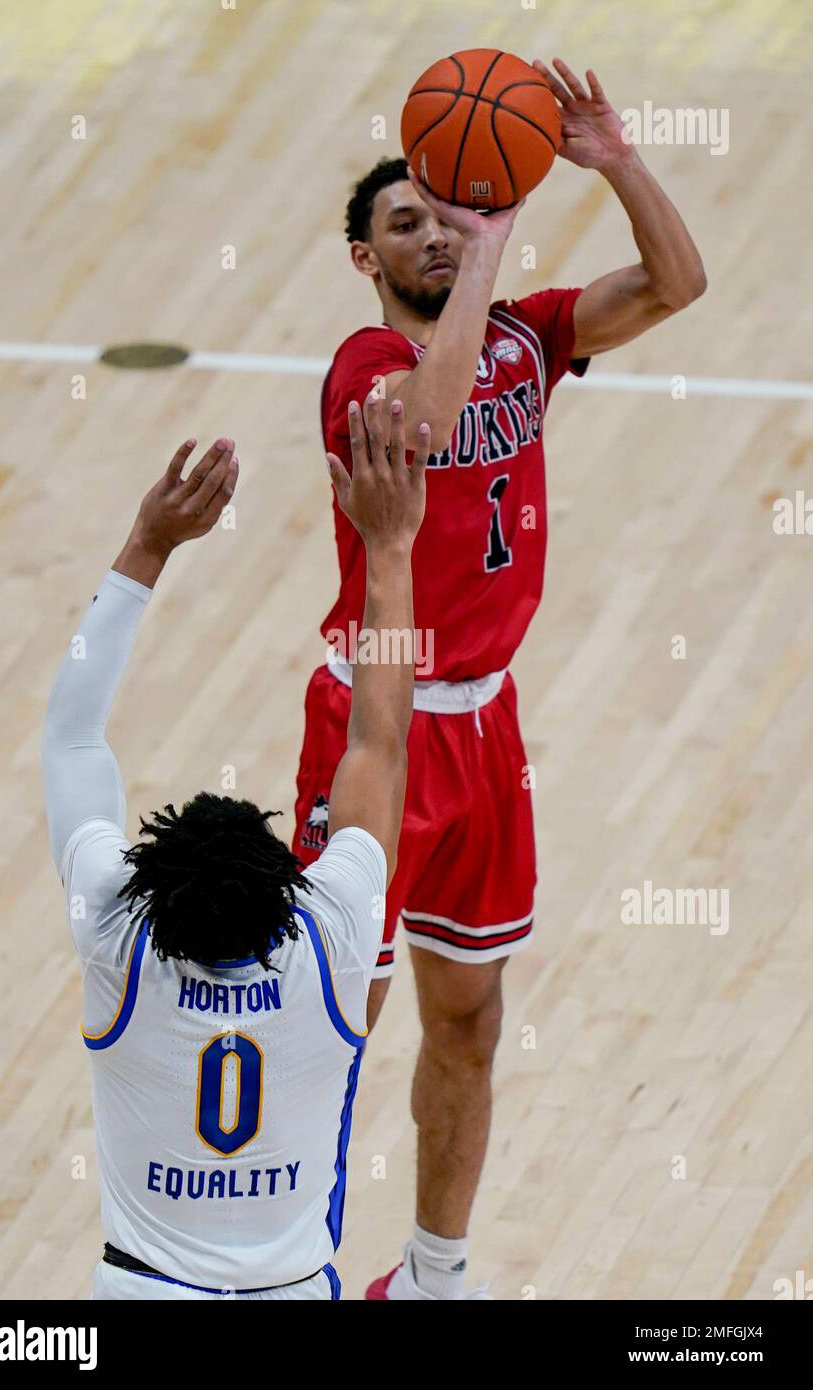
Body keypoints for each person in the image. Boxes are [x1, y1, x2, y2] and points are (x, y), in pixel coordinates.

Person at [292, 59, 707, 1300]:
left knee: (468, 1021)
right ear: (366, 258)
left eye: (443, 207)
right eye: (403, 221)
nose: (434, 230)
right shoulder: (364, 363)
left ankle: (433, 1279)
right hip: (374, 718)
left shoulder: (531, 336)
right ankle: (282, 1268)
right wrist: (489, 248)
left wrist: (615, 158)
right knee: (329, 1031)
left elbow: (679, 284)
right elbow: (426, 421)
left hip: (486, 727)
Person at [43, 403, 428, 1299]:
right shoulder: (324, 936)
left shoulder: (116, 932)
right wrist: (393, 551)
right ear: (284, 889)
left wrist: (147, 543)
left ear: (149, 889)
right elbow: (378, 744)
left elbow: (71, 739)